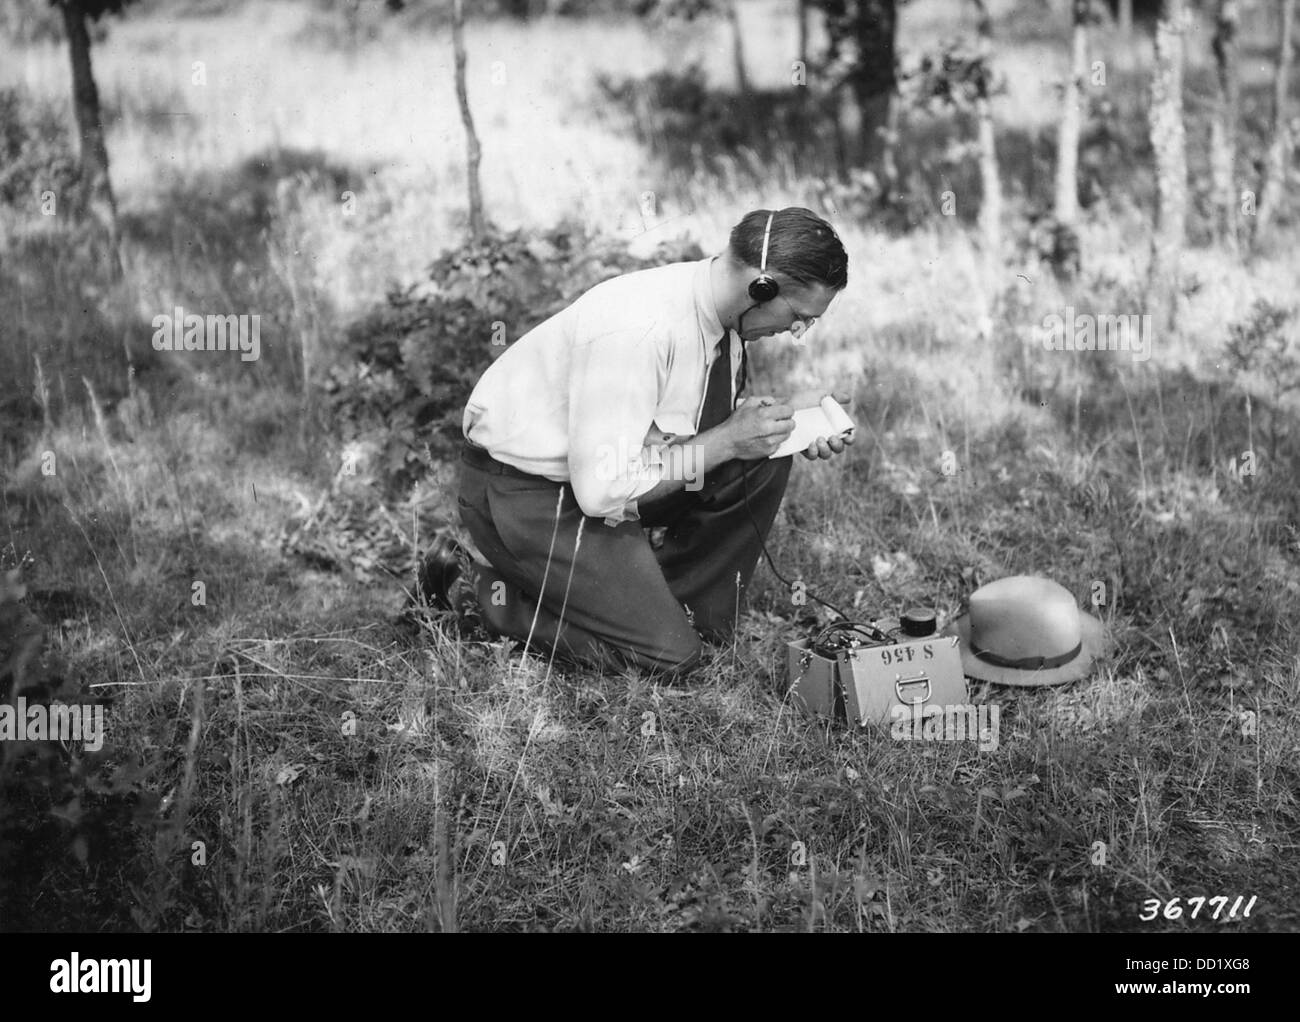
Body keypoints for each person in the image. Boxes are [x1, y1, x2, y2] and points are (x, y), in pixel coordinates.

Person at [418, 206, 851, 678]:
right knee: (669, 658)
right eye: (798, 318)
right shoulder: (639, 328)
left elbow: (684, 428)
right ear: (761, 287)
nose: (796, 334)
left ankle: (678, 609)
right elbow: (603, 492)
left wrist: (789, 420)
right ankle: (466, 585)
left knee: (765, 456)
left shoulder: (722, 312)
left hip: (606, 480)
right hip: (529, 494)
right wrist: (728, 440)